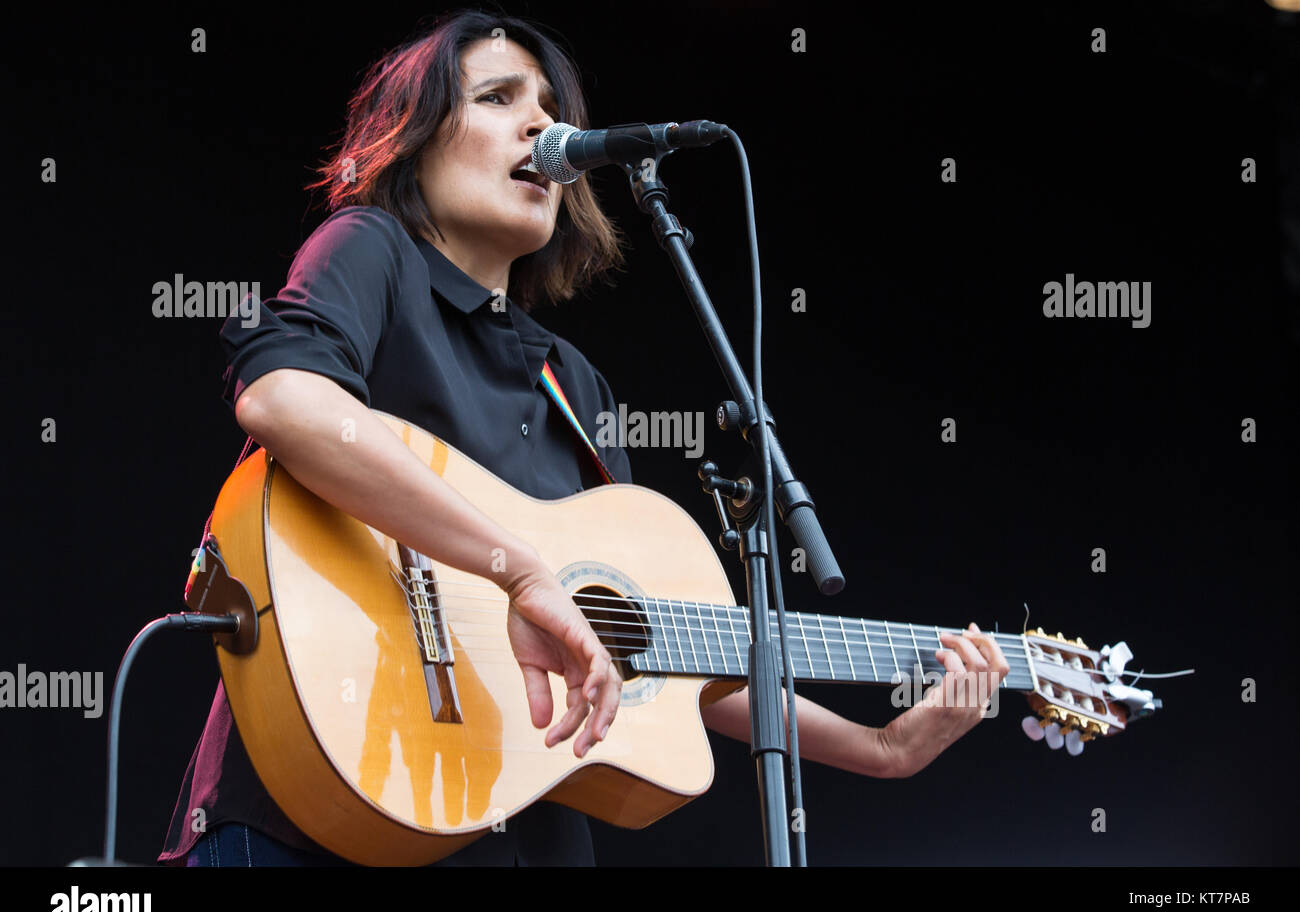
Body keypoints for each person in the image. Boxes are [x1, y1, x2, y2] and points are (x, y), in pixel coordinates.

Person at [158, 8, 1009, 867]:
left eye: (550, 106)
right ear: (412, 139)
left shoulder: (575, 383)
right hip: (325, 803)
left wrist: (884, 749)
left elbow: (653, 651)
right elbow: (285, 401)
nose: (543, 125)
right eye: (498, 98)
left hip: (516, 830)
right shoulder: (371, 251)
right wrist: (519, 568)